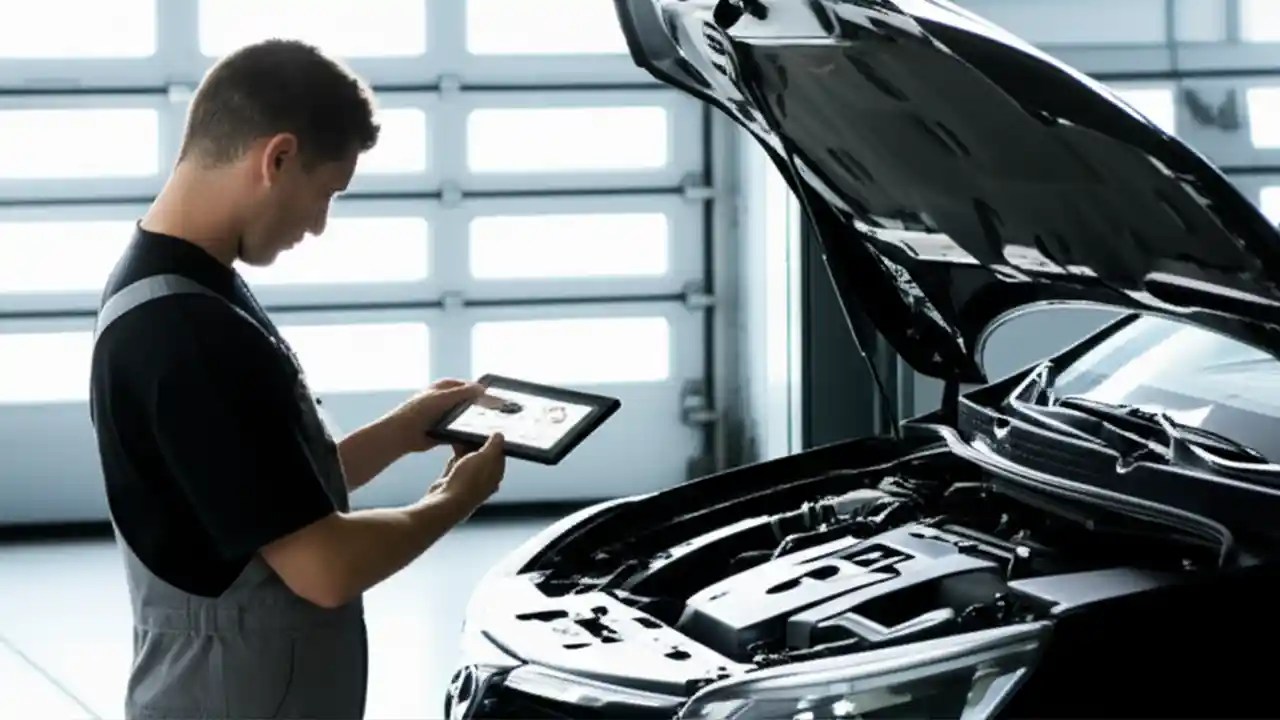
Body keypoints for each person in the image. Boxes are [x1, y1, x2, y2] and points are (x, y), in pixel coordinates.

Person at [88, 39, 506, 720]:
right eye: (325, 194)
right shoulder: (190, 332)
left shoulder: (176, 283)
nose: (318, 225)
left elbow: (261, 493)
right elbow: (325, 567)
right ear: (276, 159)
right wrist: (455, 499)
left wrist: (402, 433)